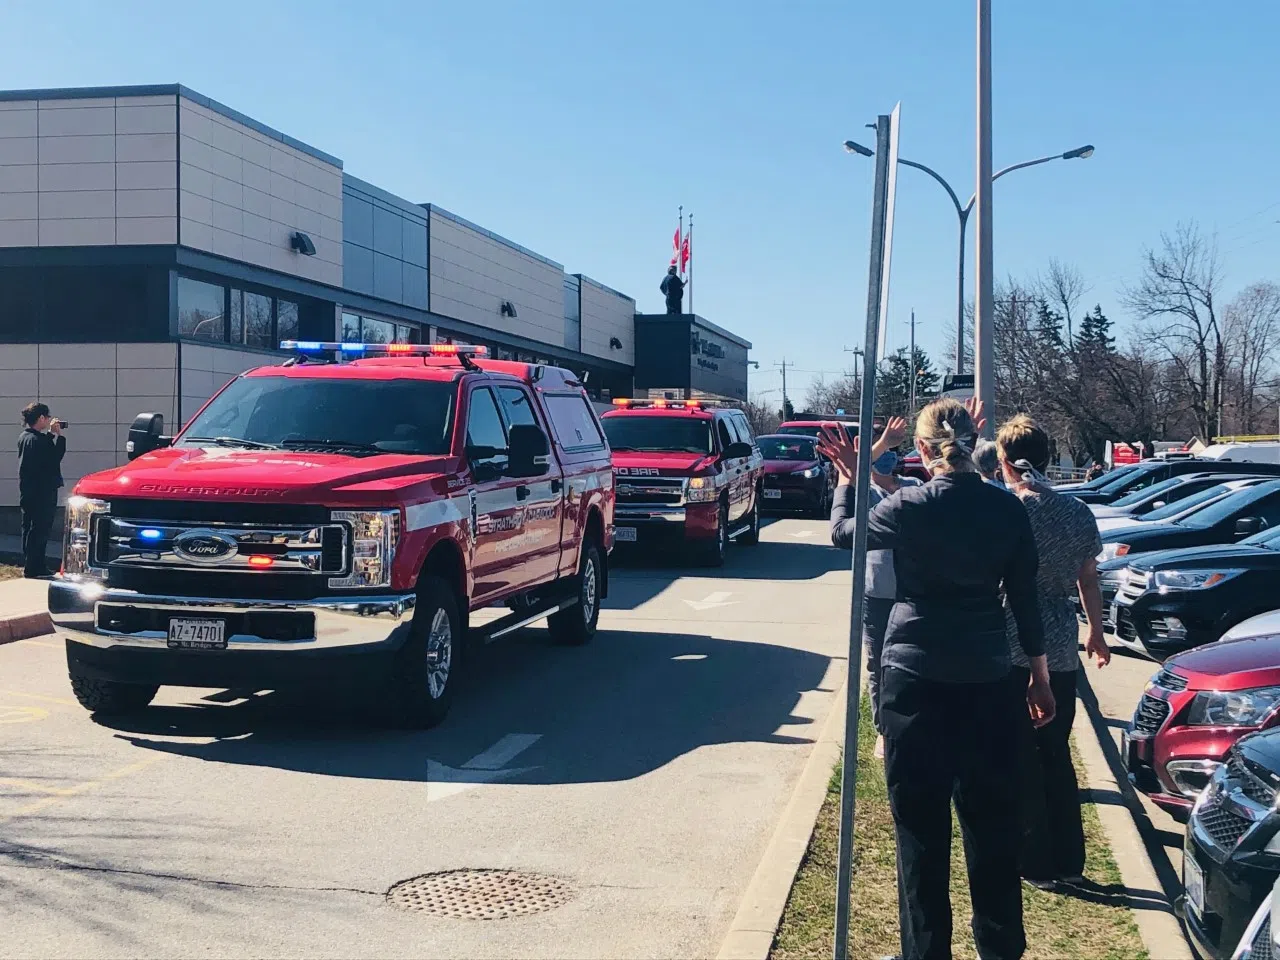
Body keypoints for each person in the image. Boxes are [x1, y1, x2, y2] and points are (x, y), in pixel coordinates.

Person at [820, 397, 1054, 960]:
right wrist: (1039, 675)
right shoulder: (1005, 508)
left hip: (914, 680)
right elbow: (1024, 597)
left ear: (922, 450)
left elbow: (843, 533)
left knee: (920, 834)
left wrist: (849, 478)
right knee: (993, 828)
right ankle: (1000, 949)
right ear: (975, 443)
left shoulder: (907, 506)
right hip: (987, 677)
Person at [996, 414, 1109, 891]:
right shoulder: (1077, 511)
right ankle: (1068, 858)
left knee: (1018, 753)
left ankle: (1034, 860)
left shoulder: (1008, 509)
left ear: (1005, 461)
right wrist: (1096, 631)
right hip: (1061, 639)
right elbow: (1089, 578)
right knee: (1055, 750)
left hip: (1010, 635)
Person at [822, 416, 919, 761]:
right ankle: (884, 730)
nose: (887, 456)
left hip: (912, 591)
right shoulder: (866, 491)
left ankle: (912, 722)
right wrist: (877, 447)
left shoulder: (911, 486)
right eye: (881, 451)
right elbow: (850, 484)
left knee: (910, 664)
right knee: (878, 664)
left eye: (893, 450)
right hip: (877, 590)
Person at [17, 402, 66, 579]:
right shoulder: (37, 440)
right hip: (42, 492)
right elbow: (54, 457)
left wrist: (50, 435)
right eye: (47, 417)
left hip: (29, 491)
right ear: (41, 418)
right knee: (40, 529)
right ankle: (36, 566)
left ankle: (31, 564)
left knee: (29, 528)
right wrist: (59, 436)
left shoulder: (25, 437)